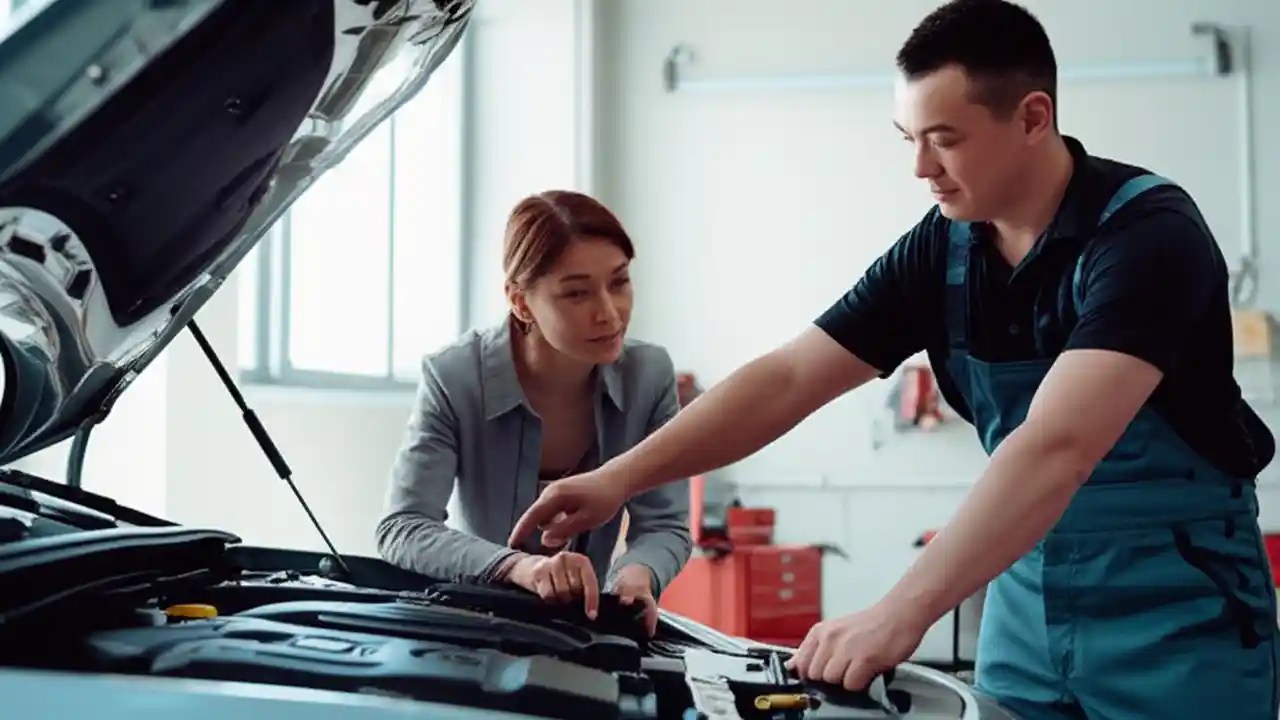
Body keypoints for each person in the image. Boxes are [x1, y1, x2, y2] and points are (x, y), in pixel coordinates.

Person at [508, 1, 1280, 717]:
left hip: (1178, 605)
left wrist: (899, 611)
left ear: (1032, 117)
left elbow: (1059, 447)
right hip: (1025, 593)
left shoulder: (1148, 238)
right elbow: (788, 379)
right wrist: (620, 477)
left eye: (943, 140)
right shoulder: (942, 248)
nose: (920, 168)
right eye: (908, 139)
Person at [376, 189, 692, 636]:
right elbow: (403, 527)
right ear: (521, 301)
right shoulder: (455, 376)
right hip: (471, 629)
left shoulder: (650, 374)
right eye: (577, 293)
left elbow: (664, 525)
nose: (610, 313)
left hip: (585, 633)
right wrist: (518, 567)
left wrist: (636, 576)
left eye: (619, 282)